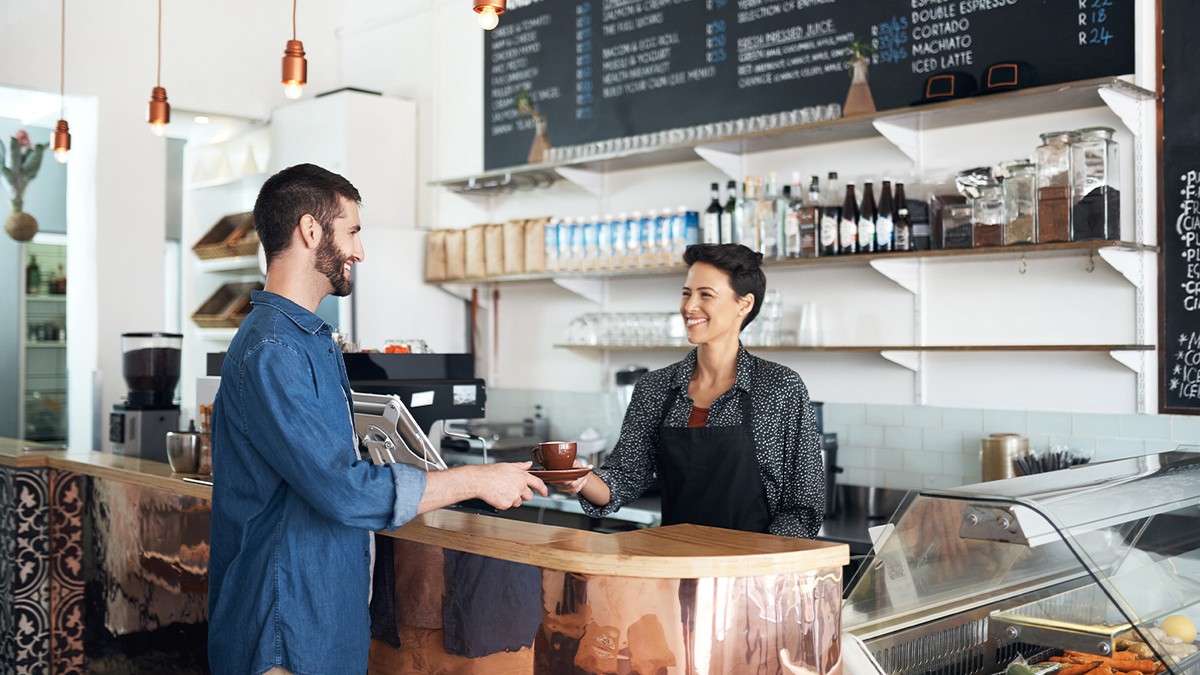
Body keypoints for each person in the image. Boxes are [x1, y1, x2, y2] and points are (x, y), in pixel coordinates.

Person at [207, 163, 547, 675]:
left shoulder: (308, 341)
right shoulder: (274, 350)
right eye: (354, 232)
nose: (360, 251)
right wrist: (476, 479)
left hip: (321, 621)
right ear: (310, 230)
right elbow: (344, 491)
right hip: (284, 630)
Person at [556, 243, 824, 537]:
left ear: (743, 304)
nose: (689, 306)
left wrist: (758, 570)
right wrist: (581, 480)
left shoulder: (779, 387)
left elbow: (804, 506)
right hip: (676, 565)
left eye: (705, 295)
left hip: (757, 572)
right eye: (686, 293)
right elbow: (625, 477)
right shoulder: (655, 387)